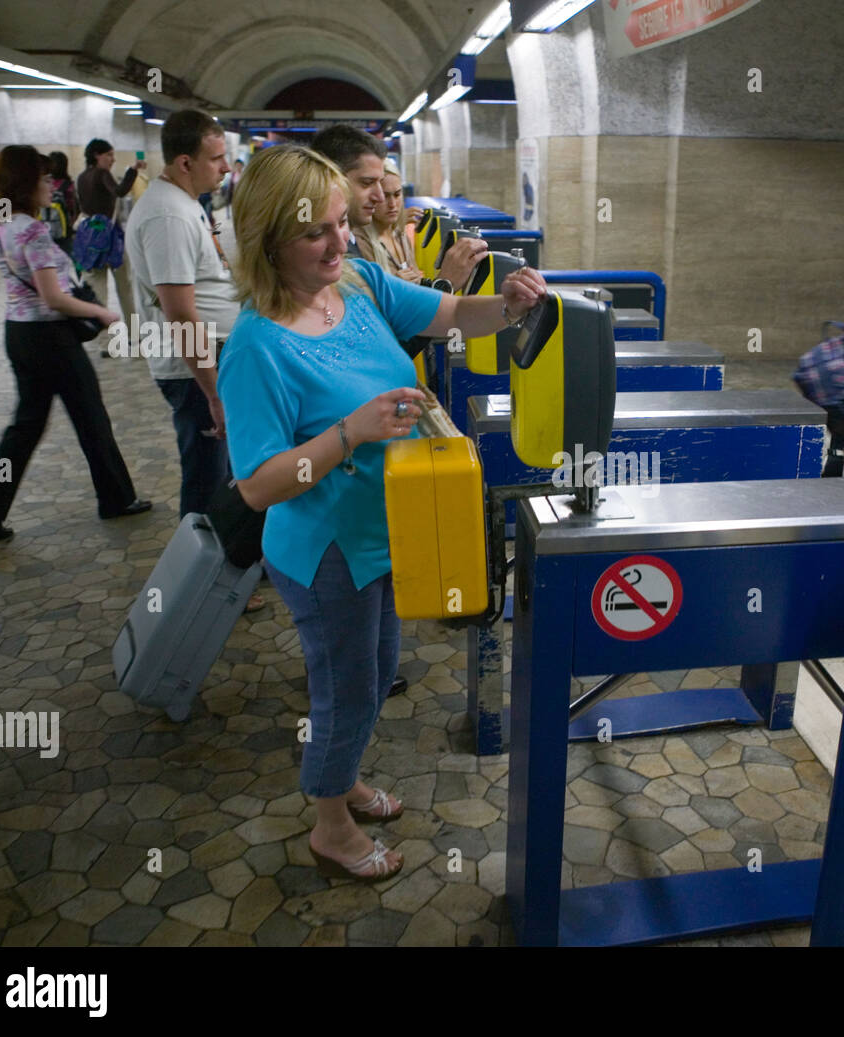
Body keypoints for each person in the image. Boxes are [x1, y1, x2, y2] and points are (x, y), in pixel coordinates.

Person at [217, 144, 549, 880]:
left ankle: (344, 779)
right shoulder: (257, 346)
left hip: (382, 524)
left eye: (342, 222)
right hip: (324, 547)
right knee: (347, 686)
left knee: (379, 667)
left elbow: (458, 311)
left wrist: (511, 304)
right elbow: (259, 485)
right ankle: (330, 822)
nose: (341, 242)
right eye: (317, 233)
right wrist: (348, 433)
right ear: (269, 241)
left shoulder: (361, 284)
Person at [0, 146, 150, 541]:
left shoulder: (0, 225)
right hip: (51, 339)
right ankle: (116, 499)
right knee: (91, 418)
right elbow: (53, 297)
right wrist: (103, 314)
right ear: (27, 181)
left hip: (18, 334)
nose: (50, 184)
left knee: (25, 427)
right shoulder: (31, 231)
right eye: (44, 178)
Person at [125, 109, 238, 522]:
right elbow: (180, 314)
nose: (226, 166)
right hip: (193, 374)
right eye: (217, 158)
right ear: (185, 163)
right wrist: (213, 392)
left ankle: (227, 571)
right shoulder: (167, 216)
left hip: (206, 365)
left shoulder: (183, 203)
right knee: (206, 481)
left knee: (221, 473)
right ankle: (202, 580)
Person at [311, 125, 484, 290]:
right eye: (367, 183)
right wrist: (445, 283)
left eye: (396, 193)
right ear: (331, 179)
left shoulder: (351, 242)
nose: (379, 197)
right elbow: (376, 316)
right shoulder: (323, 250)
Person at [75, 138, 143, 325]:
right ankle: (134, 334)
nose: (113, 159)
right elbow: (119, 191)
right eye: (109, 155)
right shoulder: (102, 174)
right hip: (112, 240)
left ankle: (102, 338)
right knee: (125, 287)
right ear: (97, 155)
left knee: (97, 290)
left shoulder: (81, 177)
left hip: (89, 239)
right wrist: (133, 170)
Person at [370, 160, 421, 280]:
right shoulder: (363, 243)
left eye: (397, 195)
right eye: (384, 196)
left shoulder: (401, 237)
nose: (392, 204)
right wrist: (395, 286)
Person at [45, 151, 80, 254]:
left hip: (45, 227)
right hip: (65, 229)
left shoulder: (45, 183)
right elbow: (74, 207)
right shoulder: (68, 185)